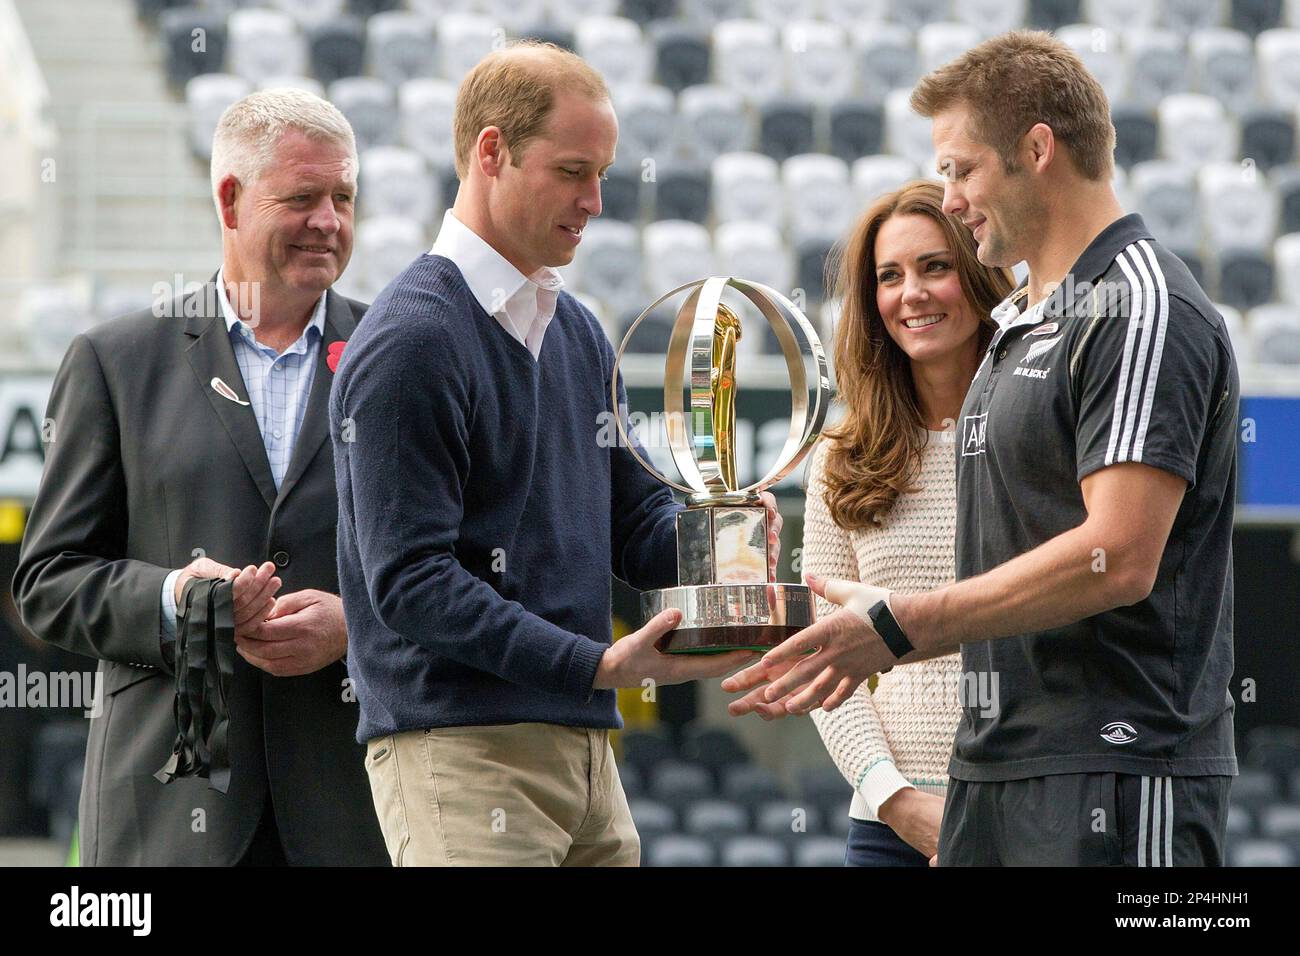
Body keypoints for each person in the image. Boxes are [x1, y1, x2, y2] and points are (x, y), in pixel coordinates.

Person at [725, 30, 1239, 867]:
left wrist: (902, 626)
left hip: (1115, 770)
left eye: (961, 170)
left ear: (1037, 150)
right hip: (997, 772)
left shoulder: (1140, 304)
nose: (952, 197)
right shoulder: (1022, 325)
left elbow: (1116, 555)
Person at [330, 40, 777, 867]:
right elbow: (411, 582)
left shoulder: (573, 328)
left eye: (602, 173)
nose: (597, 200)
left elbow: (633, 517)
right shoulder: (411, 340)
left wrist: (724, 539)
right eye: (574, 171)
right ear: (491, 151)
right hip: (463, 753)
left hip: (585, 754)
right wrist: (595, 664)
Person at [13, 88, 387, 865]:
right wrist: (174, 600)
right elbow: (48, 581)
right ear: (231, 198)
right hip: (167, 815)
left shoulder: (402, 357)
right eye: (304, 197)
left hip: (358, 811)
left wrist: (359, 628)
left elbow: (459, 565)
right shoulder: (117, 361)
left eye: (344, 197)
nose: (330, 220)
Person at [796, 180, 1012, 866]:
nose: (910, 293)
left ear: (977, 277)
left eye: (935, 267)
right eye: (889, 276)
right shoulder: (839, 457)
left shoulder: (1037, 439)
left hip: (1031, 809)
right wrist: (895, 799)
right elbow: (822, 655)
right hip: (892, 826)